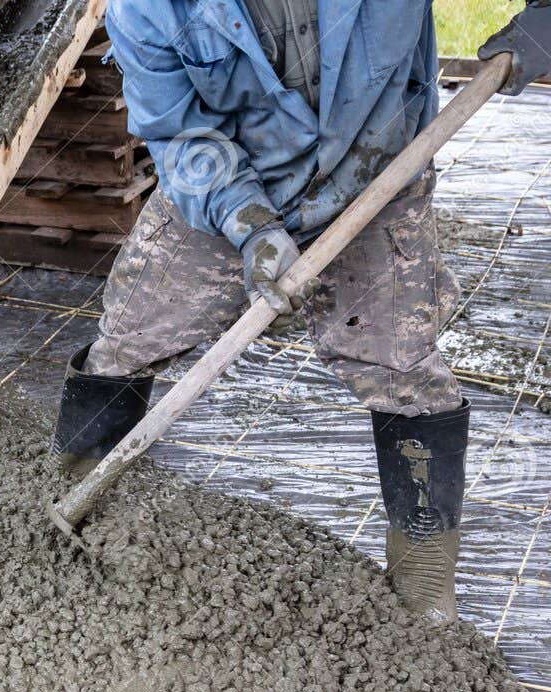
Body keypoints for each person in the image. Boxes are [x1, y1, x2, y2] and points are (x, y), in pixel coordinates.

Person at [51, 0, 551, 620]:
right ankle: (73, 509)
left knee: (402, 369)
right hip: (227, 182)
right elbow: (181, 132)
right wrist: (249, 222)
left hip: (377, 174)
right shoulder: (147, 10)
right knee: (132, 334)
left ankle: (424, 582)